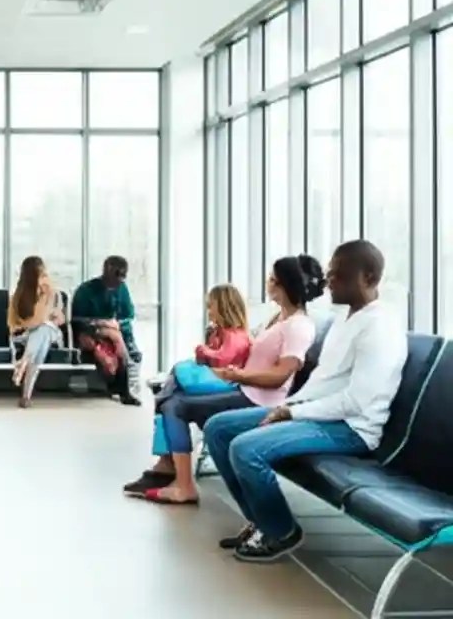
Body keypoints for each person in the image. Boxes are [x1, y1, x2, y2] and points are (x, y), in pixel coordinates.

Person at [203, 240, 406, 562]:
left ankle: (281, 531)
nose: (328, 281)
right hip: (317, 414)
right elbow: (323, 381)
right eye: (329, 273)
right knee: (218, 428)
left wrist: (291, 412)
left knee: (246, 449)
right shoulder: (346, 317)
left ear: (368, 277)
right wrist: (292, 406)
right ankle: (260, 520)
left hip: (350, 428)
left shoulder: (380, 327)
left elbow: (356, 402)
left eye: (338, 274)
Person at [124, 258, 322, 505]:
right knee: (173, 397)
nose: (267, 283)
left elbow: (280, 376)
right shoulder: (277, 318)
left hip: (258, 400)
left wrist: (238, 375)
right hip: (244, 388)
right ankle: (167, 468)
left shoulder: (299, 326)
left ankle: (182, 484)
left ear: (285, 285)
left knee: (174, 405)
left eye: (272, 279)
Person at [71, 256, 141, 406]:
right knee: (113, 339)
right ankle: (122, 389)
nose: (119, 280)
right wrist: (100, 323)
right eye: (116, 275)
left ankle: (120, 385)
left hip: (114, 332)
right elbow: (76, 319)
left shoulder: (122, 289)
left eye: (122, 276)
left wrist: (115, 324)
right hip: (89, 332)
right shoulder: (86, 290)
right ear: (105, 271)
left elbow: (128, 315)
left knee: (115, 339)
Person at [8, 256, 65, 408]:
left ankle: (23, 363)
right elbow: (17, 325)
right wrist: (44, 311)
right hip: (25, 336)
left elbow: (60, 320)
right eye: (40, 276)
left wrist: (49, 298)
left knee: (43, 330)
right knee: (40, 333)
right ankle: (26, 396)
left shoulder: (54, 294)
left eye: (44, 275)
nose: (44, 279)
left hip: (52, 334)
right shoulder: (18, 297)